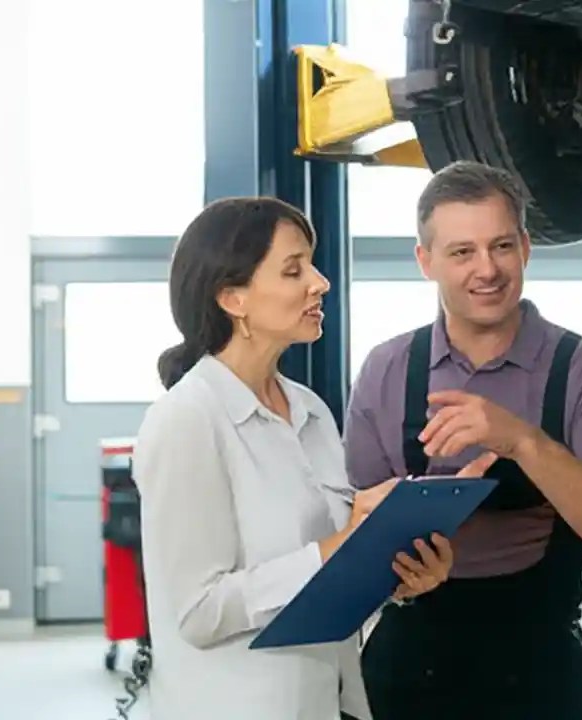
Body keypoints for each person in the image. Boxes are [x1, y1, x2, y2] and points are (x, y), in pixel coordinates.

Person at [130, 196, 490, 720]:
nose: (319, 282)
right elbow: (199, 612)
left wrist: (397, 571)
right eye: (294, 269)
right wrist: (336, 546)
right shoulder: (187, 418)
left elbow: (323, 576)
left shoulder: (311, 411)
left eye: (313, 265)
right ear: (233, 297)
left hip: (325, 701)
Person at [344, 161, 582, 720]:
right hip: (404, 672)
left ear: (525, 247)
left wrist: (522, 441)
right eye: (462, 252)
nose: (486, 269)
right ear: (426, 261)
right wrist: (399, 572)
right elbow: (348, 539)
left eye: (501, 246)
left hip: (537, 675)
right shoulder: (386, 369)